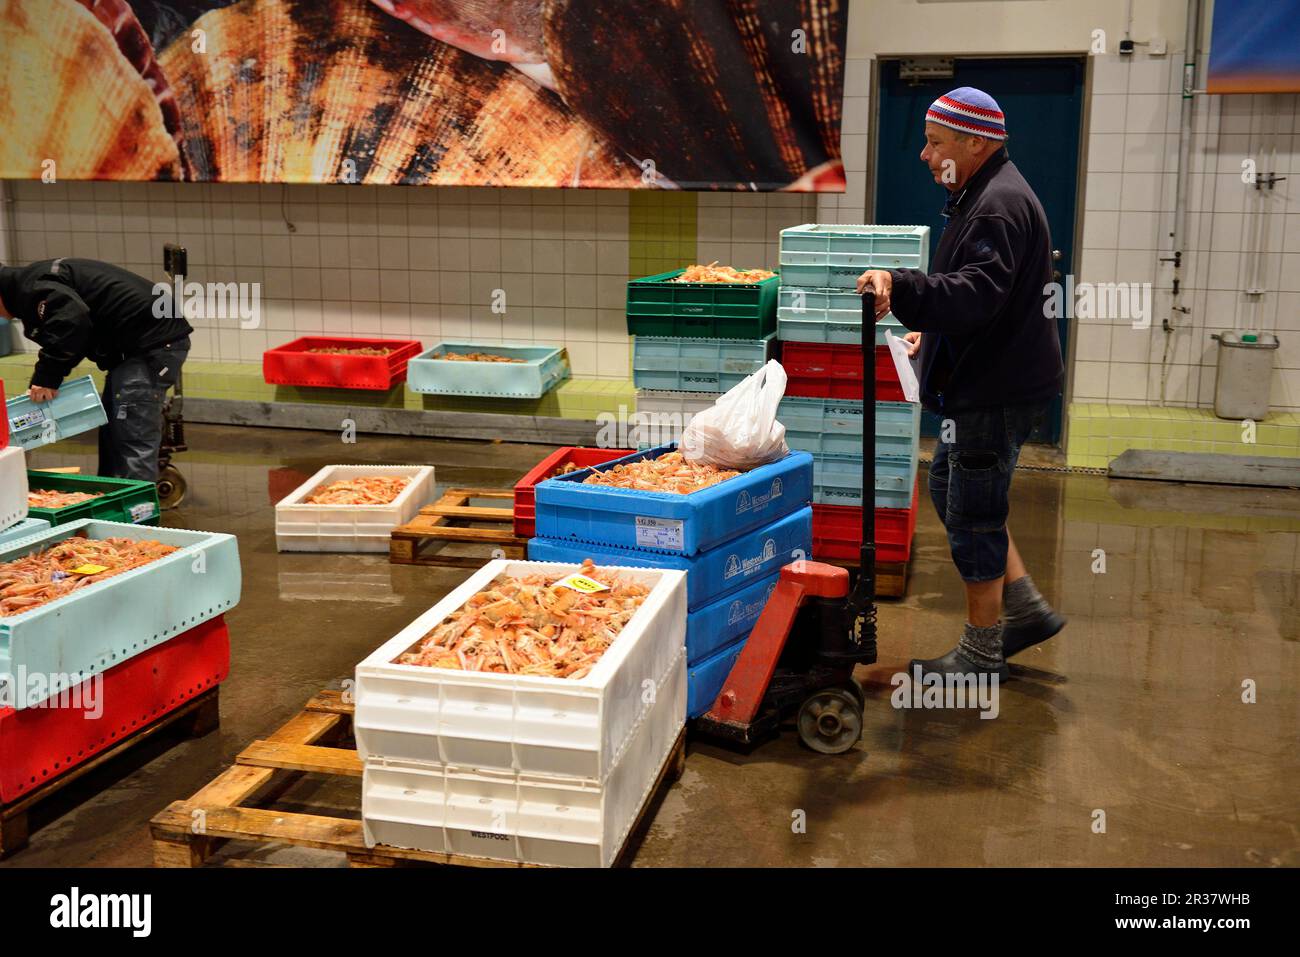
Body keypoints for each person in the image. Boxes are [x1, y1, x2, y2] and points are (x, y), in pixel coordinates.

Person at [856, 87, 1066, 680]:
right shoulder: (984, 192)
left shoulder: (996, 204)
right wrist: (936, 337)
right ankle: (1022, 608)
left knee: (973, 513)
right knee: (954, 487)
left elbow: (975, 295)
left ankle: (980, 654)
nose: (924, 154)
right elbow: (993, 299)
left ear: (975, 143)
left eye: (934, 142)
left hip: (995, 391)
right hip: (994, 375)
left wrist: (903, 287)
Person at [0, 258, 191, 482]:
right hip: (138, 345)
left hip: (151, 344)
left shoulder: (33, 288)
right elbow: (72, 333)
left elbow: (72, 323)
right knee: (114, 432)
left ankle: (139, 514)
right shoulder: (29, 286)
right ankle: (115, 502)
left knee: (132, 436)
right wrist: (47, 379)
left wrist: (47, 378)